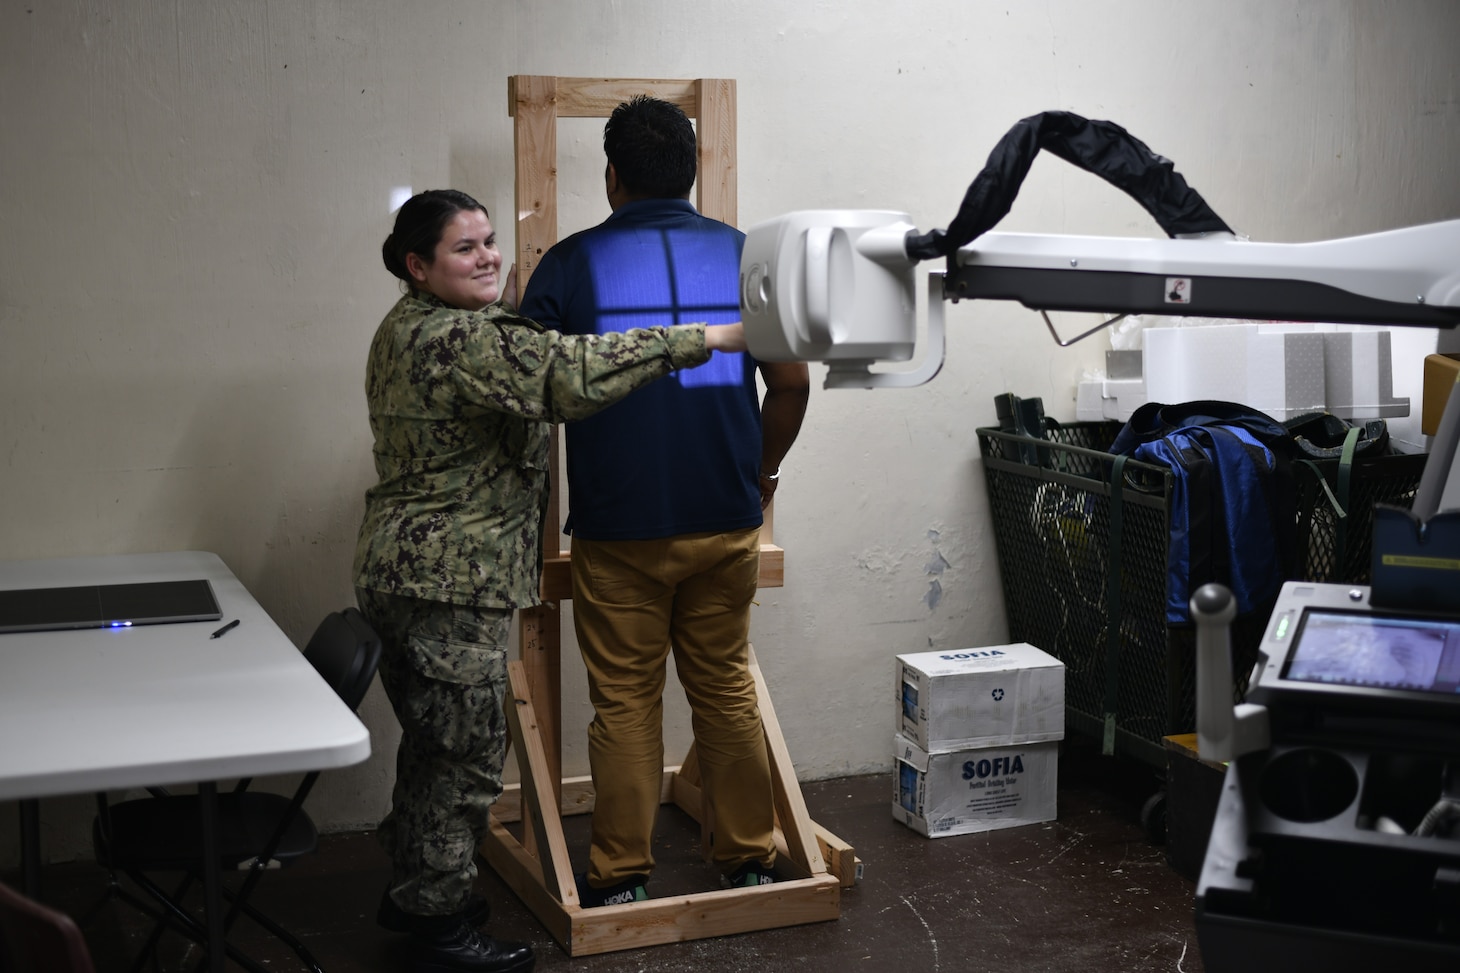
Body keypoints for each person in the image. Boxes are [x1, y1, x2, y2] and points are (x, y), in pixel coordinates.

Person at [353, 188, 746, 973]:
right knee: (464, 757)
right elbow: (567, 374)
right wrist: (704, 336)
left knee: (433, 747)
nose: (488, 257)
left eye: (489, 241)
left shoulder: (407, 325)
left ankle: (418, 890)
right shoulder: (459, 338)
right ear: (418, 265)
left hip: (408, 571)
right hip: (446, 583)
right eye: (464, 248)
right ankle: (440, 927)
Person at [518, 95, 811, 907]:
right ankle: (749, 859)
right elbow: (790, 384)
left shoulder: (569, 263)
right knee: (725, 687)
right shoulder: (747, 257)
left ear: (611, 175)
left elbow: (524, 387)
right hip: (725, 516)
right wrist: (763, 473)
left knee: (624, 701)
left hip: (618, 526)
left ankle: (620, 879)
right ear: (690, 171)